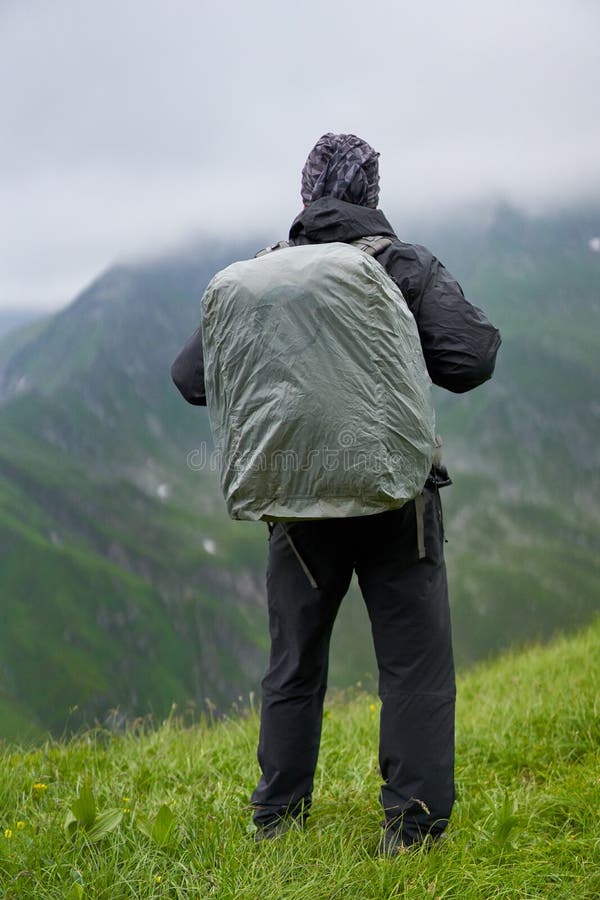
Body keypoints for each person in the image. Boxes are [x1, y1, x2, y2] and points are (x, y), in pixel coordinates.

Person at [171, 133, 501, 854]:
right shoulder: (402, 265)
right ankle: (411, 833)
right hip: (395, 501)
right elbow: (472, 357)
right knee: (412, 667)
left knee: (294, 665)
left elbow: (191, 378)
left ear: (306, 195)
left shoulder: (266, 273)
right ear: (373, 194)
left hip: (295, 505)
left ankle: (277, 822)